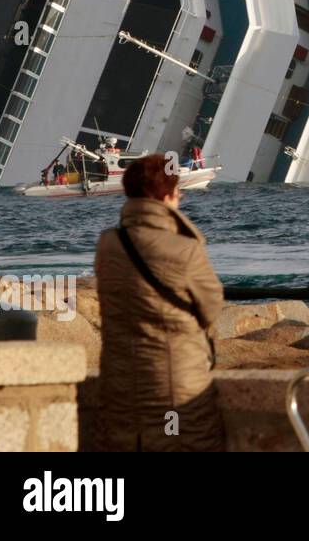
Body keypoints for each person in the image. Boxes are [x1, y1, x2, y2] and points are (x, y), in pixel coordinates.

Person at [94, 154, 225, 451]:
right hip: (175, 383)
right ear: (166, 196)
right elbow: (212, 306)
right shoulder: (185, 249)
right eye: (177, 191)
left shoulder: (108, 244)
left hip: (120, 383)